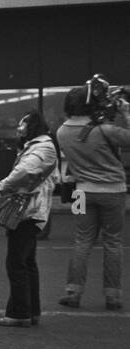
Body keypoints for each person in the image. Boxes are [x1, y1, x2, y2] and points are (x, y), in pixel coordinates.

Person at [0, 111, 59, 327]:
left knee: (16, 263)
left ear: (32, 126)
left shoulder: (42, 147)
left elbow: (20, 174)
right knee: (27, 262)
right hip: (33, 210)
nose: (19, 127)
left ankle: (19, 313)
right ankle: (31, 311)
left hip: (29, 211)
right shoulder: (38, 146)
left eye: (23, 123)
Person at [55, 78, 130, 310]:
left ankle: (73, 291)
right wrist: (126, 112)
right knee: (112, 242)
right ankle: (113, 295)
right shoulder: (105, 129)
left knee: (81, 241)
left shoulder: (61, 131)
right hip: (113, 192)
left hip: (82, 192)